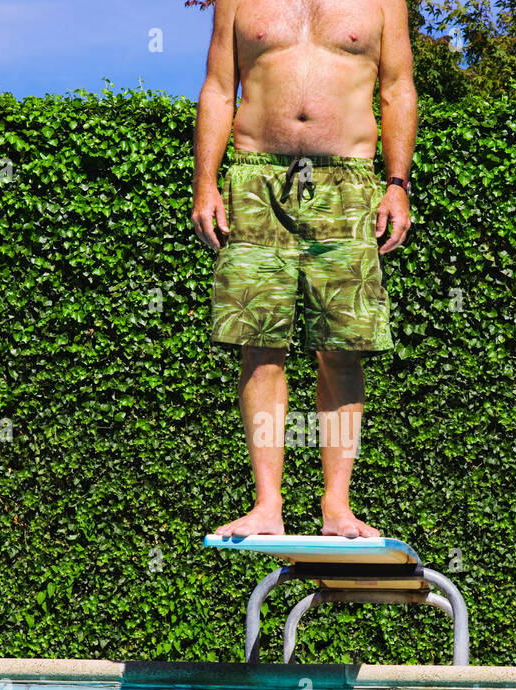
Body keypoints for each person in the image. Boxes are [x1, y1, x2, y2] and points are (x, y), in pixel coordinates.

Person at [192, 0, 416, 538]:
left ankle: (336, 506)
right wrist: (205, 182)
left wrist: (398, 184)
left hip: (349, 180)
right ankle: (267, 504)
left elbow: (397, 89)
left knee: (341, 349)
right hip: (254, 178)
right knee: (258, 345)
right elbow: (220, 89)